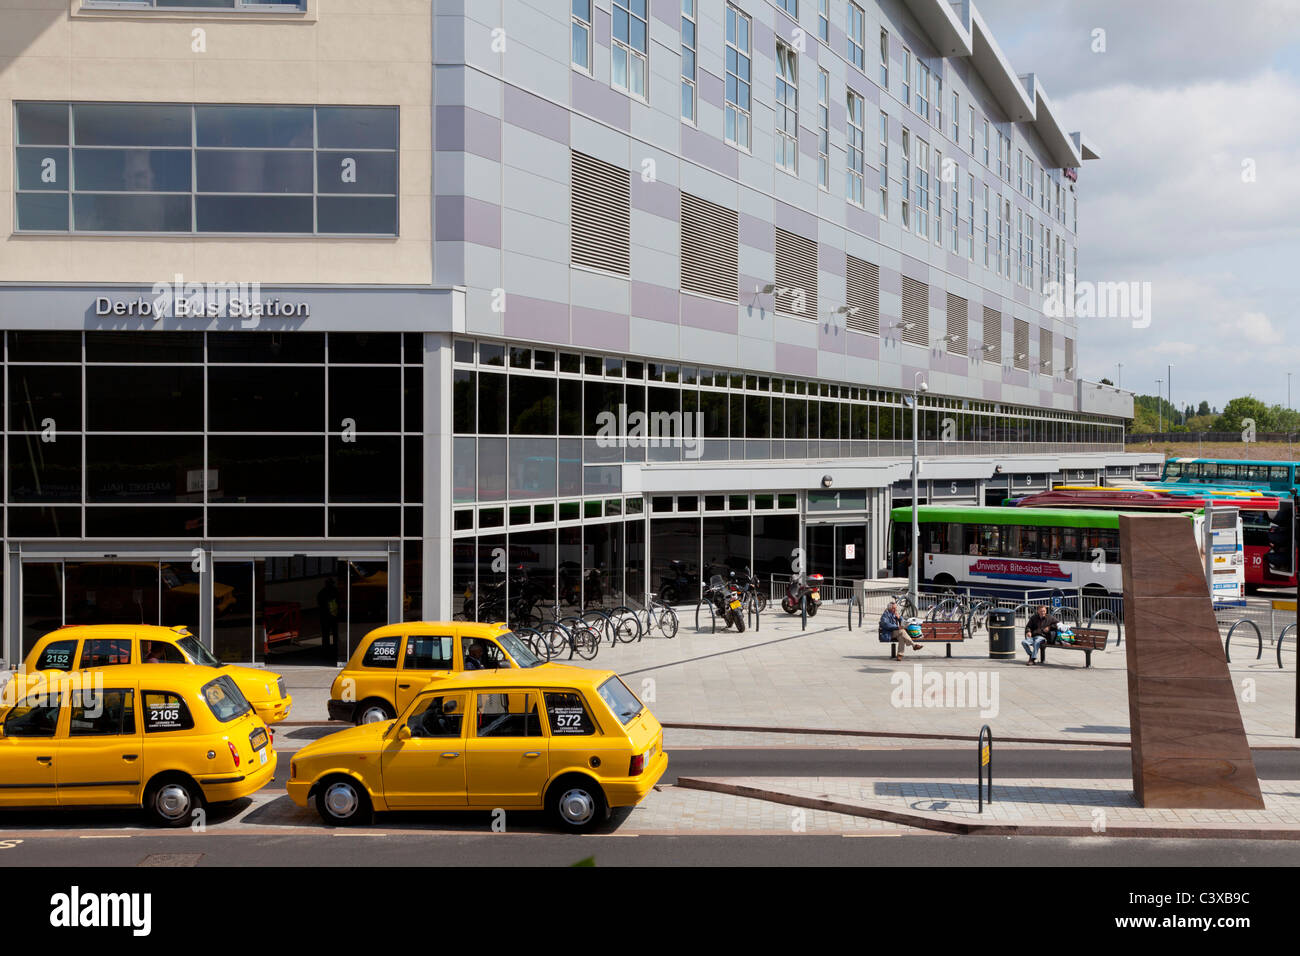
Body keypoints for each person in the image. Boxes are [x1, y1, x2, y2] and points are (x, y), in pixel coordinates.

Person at [316, 578, 340, 655]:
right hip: (334, 616)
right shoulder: (336, 591)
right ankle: (335, 648)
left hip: (325, 617)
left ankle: (326, 649)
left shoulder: (321, 593)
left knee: (325, 634)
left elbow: (320, 604)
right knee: (335, 633)